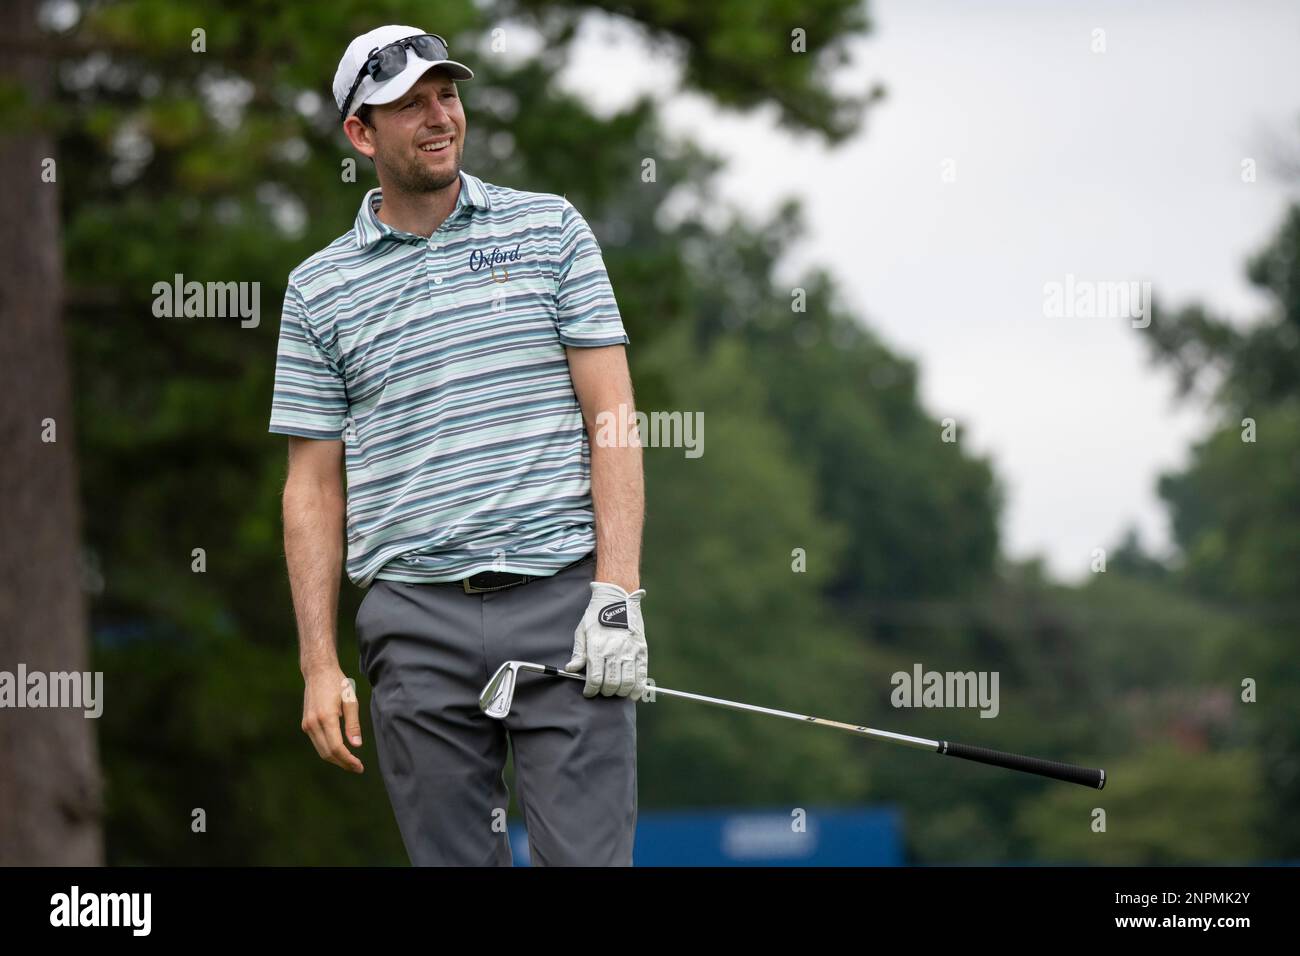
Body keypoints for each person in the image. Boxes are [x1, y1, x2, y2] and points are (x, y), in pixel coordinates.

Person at [268, 24, 647, 866]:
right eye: (410, 104)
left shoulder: (551, 230)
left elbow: (612, 416)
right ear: (361, 134)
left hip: (562, 604)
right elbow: (311, 488)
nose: (439, 117)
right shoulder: (317, 289)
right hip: (414, 621)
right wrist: (317, 663)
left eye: (446, 94)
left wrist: (617, 593)